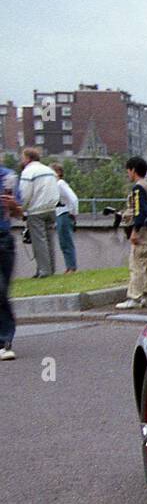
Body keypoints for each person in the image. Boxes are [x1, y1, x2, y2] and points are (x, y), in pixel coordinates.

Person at [115, 156, 147, 309]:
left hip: (142, 232)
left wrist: (135, 231)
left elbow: (139, 211)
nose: (128, 174)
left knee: (137, 264)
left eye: (128, 171)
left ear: (133, 170)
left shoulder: (138, 188)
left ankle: (134, 297)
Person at [17, 148, 60, 279]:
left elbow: (24, 194)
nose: (21, 160)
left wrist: (21, 209)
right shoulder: (49, 171)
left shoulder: (28, 172)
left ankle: (44, 271)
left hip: (36, 210)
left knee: (39, 242)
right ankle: (51, 268)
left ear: (28, 158)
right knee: (49, 240)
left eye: (22, 158)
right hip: (51, 209)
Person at [0, 163, 20, 360]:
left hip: (4, 238)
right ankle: (4, 340)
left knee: (3, 289)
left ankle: (5, 339)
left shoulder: (8, 177)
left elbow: (19, 213)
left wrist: (13, 205)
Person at [51, 163, 78, 273]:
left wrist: (73, 213)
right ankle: (69, 266)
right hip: (60, 214)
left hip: (64, 213)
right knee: (63, 242)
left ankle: (72, 266)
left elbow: (73, 198)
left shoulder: (61, 184)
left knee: (66, 241)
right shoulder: (56, 185)